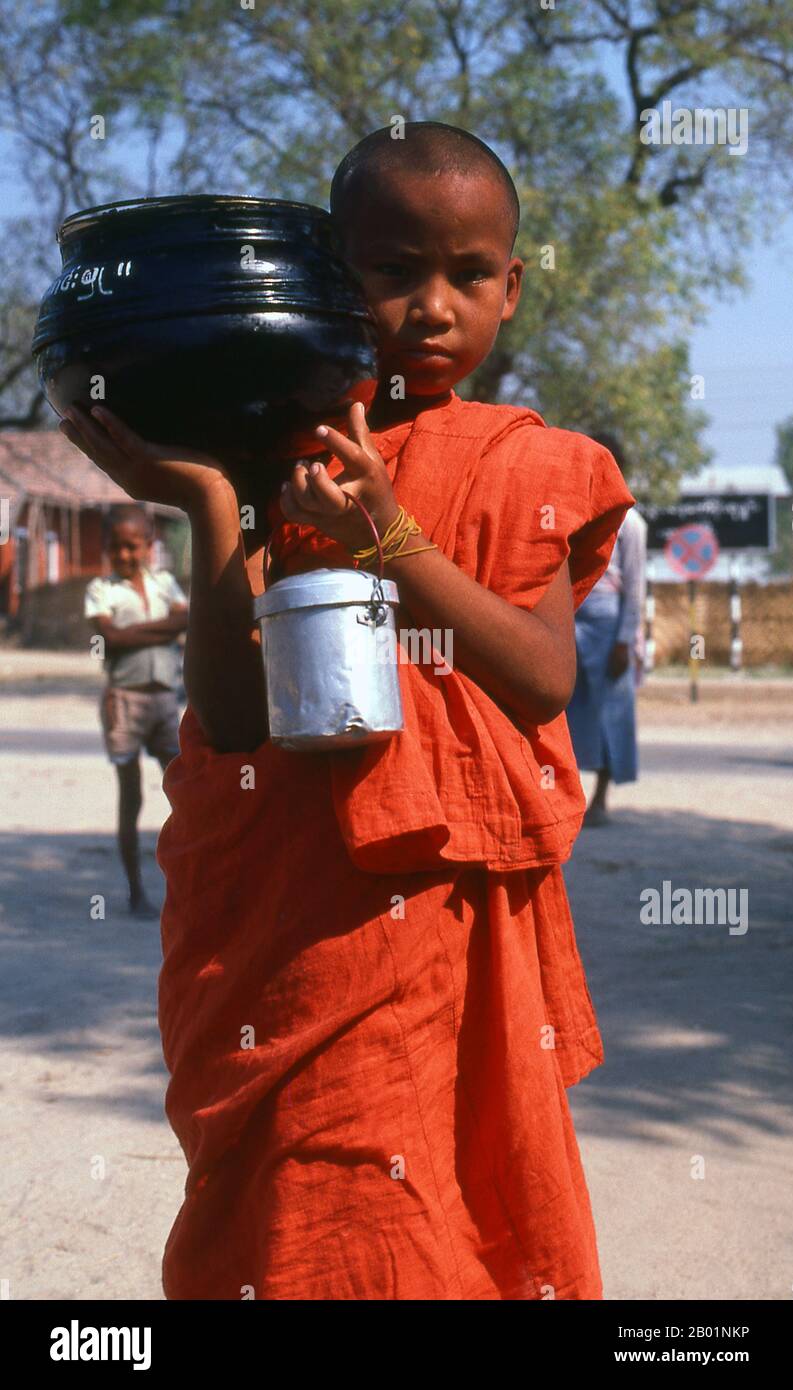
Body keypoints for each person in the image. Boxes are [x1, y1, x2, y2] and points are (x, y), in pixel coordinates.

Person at [61, 121, 635, 1300]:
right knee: (301, 1207)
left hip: (440, 943)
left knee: (437, 1217)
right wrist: (214, 501)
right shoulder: (277, 461)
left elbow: (537, 676)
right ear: (329, 275)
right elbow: (230, 724)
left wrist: (392, 541)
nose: (431, 306)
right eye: (391, 272)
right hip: (291, 939)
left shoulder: (531, 465)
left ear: (512, 287)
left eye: (468, 274)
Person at [84, 505, 188, 917]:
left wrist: (129, 635)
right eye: (116, 548)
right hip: (123, 700)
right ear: (107, 549)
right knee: (130, 799)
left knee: (186, 790)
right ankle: (135, 891)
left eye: (132, 547)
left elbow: (185, 619)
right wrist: (160, 629)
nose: (124, 555)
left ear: (148, 546)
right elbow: (108, 636)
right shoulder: (100, 589)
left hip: (163, 700)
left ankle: (191, 883)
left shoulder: (164, 583)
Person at [566, 433, 648, 825]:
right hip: (570, 615)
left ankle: (600, 799)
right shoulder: (570, 512)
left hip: (608, 622)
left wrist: (624, 641)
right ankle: (567, 798)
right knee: (563, 708)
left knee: (609, 712)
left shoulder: (631, 523)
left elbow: (635, 587)